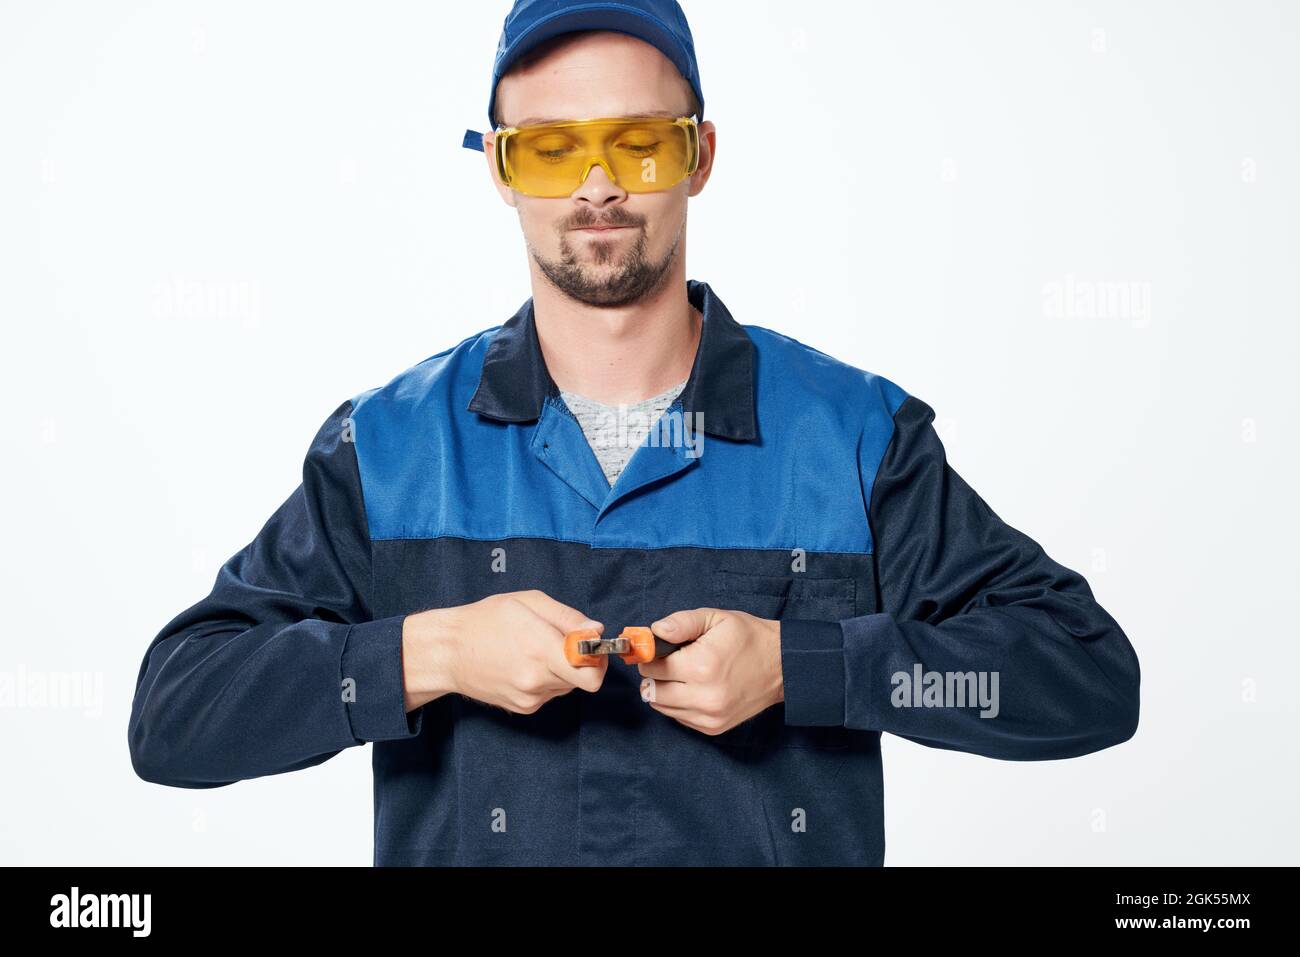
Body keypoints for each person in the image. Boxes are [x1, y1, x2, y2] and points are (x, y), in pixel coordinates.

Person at [128, 0, 1140, 866]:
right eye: (551, 148)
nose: (596, 187)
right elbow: (175, 716)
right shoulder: (391, 448)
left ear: (698, 156)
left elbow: (1086, 677)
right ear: (502, 169)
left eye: (638, 142)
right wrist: (426, 652)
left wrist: (807, 667)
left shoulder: (852, 439)